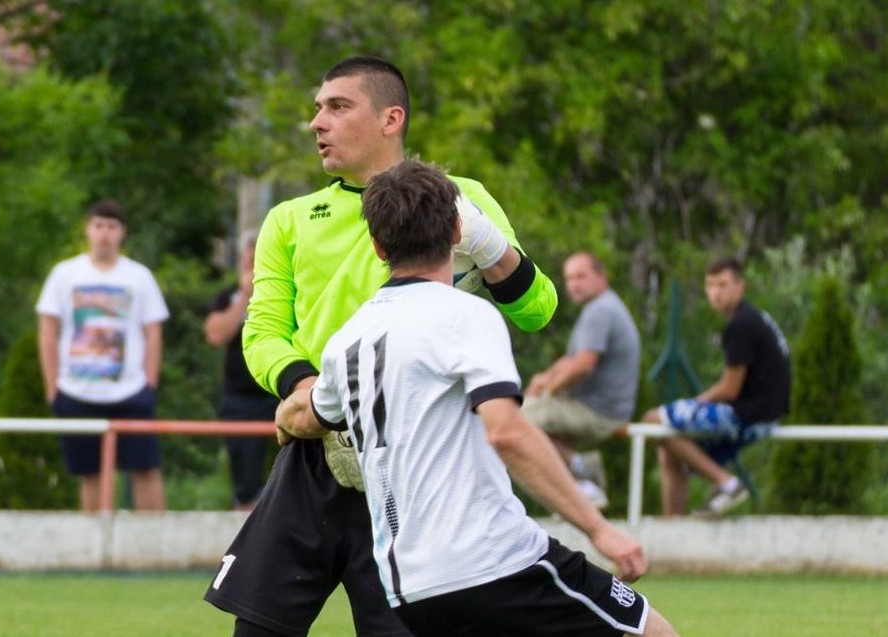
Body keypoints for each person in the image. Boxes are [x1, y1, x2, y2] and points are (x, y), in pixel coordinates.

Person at [204, 56, 559, 637]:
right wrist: (307, 392)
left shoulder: (458, 198)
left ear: (391, 119)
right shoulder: (289, 219)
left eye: (338, 107)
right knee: (258, 631)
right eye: (317, 108)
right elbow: (262, 330)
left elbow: (537, 309)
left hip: (415, 459)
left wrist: (489, 246)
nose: (317, 122)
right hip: (316, 452)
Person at [275, 159, 677, 637]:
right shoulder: (466, 316)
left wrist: (284, 416)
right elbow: (507, 432)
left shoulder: (348, 340)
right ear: (456, 232)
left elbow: (307, 415)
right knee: (655, 633)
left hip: (409, 590)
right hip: (494, 562)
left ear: (378, 246)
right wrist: (599, 529)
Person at [36, 198, 169, 513]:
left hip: (130, 390)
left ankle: (154, 538)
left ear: (122, 232)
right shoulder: (65, 274)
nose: (105, 233)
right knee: (90, 472)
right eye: (99, 225)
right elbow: (48, 330)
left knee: (146, 468)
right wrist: (53, 387)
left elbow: (153, 332)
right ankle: (96, 539)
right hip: (77, 390)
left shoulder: (138, 276)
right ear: (88, 229)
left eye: (112, 226)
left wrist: (149, 384)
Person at [641, 258, 790, 518]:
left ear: (740, 286)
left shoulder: (741, 324)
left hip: (751, 416)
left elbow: (730, 389)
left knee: (653, 420)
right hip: (768, 414)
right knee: (669, 451)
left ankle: (727, 484)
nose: (715, 292)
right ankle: (672, 528)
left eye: (722, 284)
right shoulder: (755, 317)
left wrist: (699, 401)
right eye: (710, 285)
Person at [523, 252, 641, 509]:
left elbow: (584, 365)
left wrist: (548, 391)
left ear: (601, 277)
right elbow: (572, 360)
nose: (574, 284)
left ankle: (582, 476)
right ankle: (580, 478)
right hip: (603, 408)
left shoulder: (600, 310)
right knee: (525, 417)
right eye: (569, 279)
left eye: (580, 277)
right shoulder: (604, 306)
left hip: (600, 412)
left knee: (518, 419)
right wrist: (545, 378)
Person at [204, 229, 278, 511]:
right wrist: (246, 295)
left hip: (280, 389)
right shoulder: (228, 296)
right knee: (245, 481)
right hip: (243, 398)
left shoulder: (287, 292)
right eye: (250, 259)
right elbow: (215, 335)